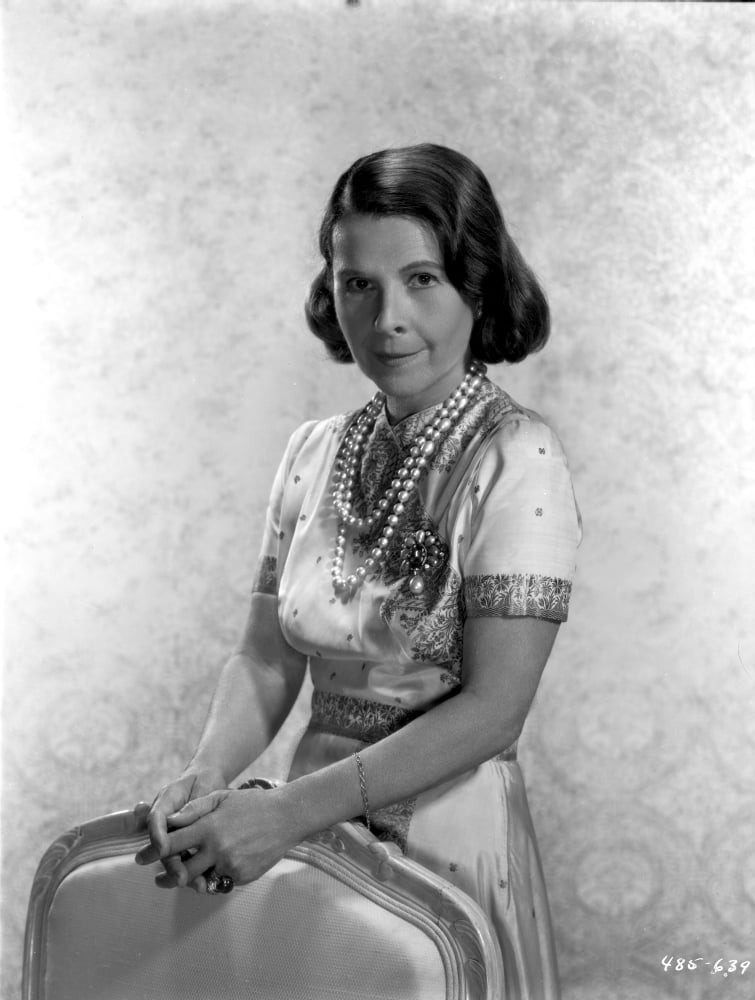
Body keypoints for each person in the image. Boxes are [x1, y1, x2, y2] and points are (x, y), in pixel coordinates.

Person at [135, 143, 581, 999]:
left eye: (422, 279)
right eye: (358, 284)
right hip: (302, 829)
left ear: (477, 284)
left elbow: (495, 711)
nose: (388, 320)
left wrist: (287, 814)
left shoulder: (519, 458)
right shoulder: (314, 453)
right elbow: (267, 658)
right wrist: (208, 775)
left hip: (444, 836)